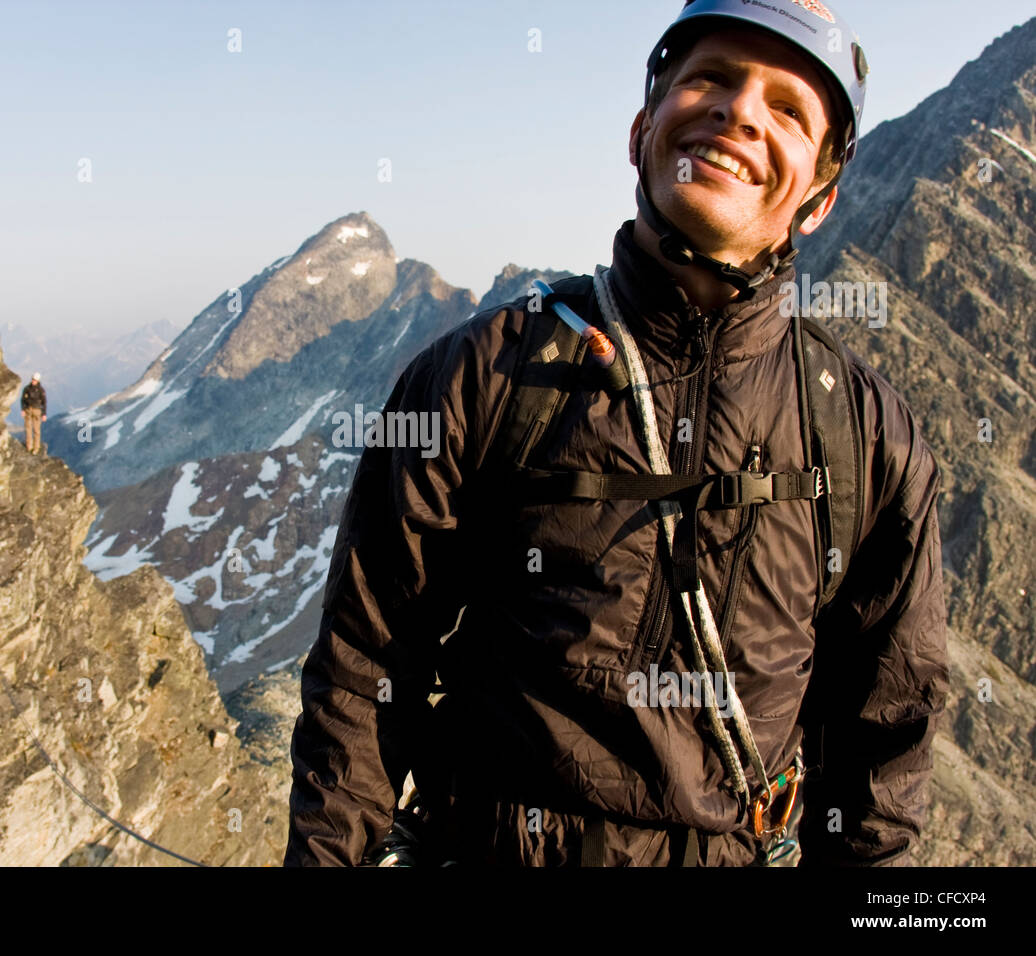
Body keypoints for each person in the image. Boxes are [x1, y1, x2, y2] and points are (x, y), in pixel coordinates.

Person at [285, 0, 949, 868]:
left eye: (787, 108)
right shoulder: (482, 375)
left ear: (819, 200)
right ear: (641, 130)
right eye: (709, 78)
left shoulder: (867, 441)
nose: (741, 111)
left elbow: (883, 746)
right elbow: (364, 673)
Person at [21, 372, 47, 455]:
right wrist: (23, 409)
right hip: (28, 410)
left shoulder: (41, 390)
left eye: (35, 380)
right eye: (33, 379)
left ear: (38, 380)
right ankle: (29, 446)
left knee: (36, 430)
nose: (33, 381)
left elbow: (44, 402)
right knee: (28, 428)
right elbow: (23, 400)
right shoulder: (27, 389)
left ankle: (36, 448)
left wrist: (44, 414)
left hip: (37, 410)